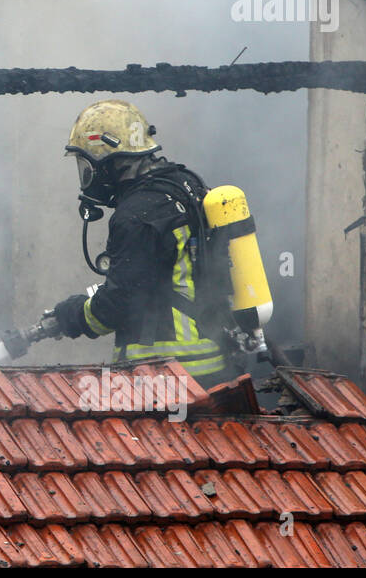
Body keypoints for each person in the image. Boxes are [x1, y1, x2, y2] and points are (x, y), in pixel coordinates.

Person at [45, 99, 237, 383]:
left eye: (87, 166)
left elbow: (115, 307)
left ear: (108, 163)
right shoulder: (186, 186)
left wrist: (71, 314)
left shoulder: (135, 216)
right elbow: (159, 278)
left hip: (164, 375)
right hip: (213, 365)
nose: (87, 179)